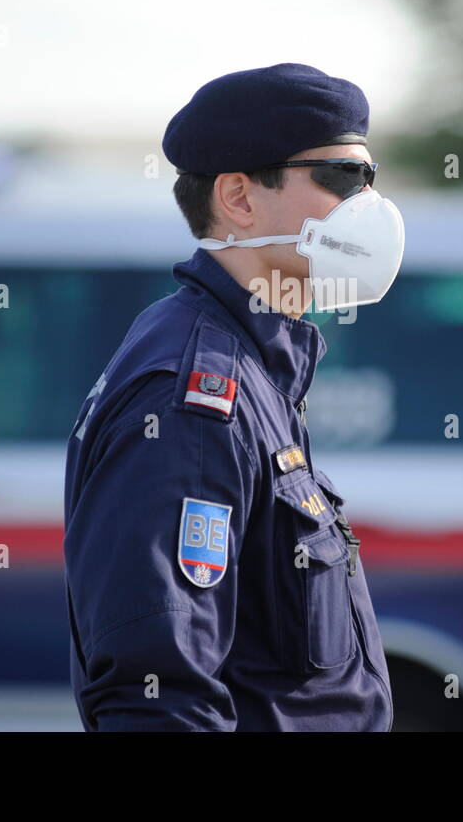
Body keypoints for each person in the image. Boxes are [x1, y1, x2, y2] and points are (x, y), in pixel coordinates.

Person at [63, 62, 404, 730]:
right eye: (340, 179)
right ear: (240, 199)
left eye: (370, 179)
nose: (369, 206)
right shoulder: (195, 395)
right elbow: (157, 695)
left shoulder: (255, 364)